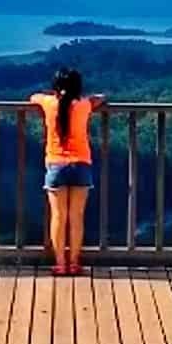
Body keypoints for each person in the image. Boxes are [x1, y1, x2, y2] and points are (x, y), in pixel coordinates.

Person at [29, 68, 106, 276]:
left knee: (58, 216)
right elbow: (99, 98)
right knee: (76, 216)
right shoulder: (83, 105)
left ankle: (60, 263)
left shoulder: (49, 103)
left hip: (56, 165)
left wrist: (49, 95)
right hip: (81, 164)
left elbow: (33, 97)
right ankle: (74, 262)